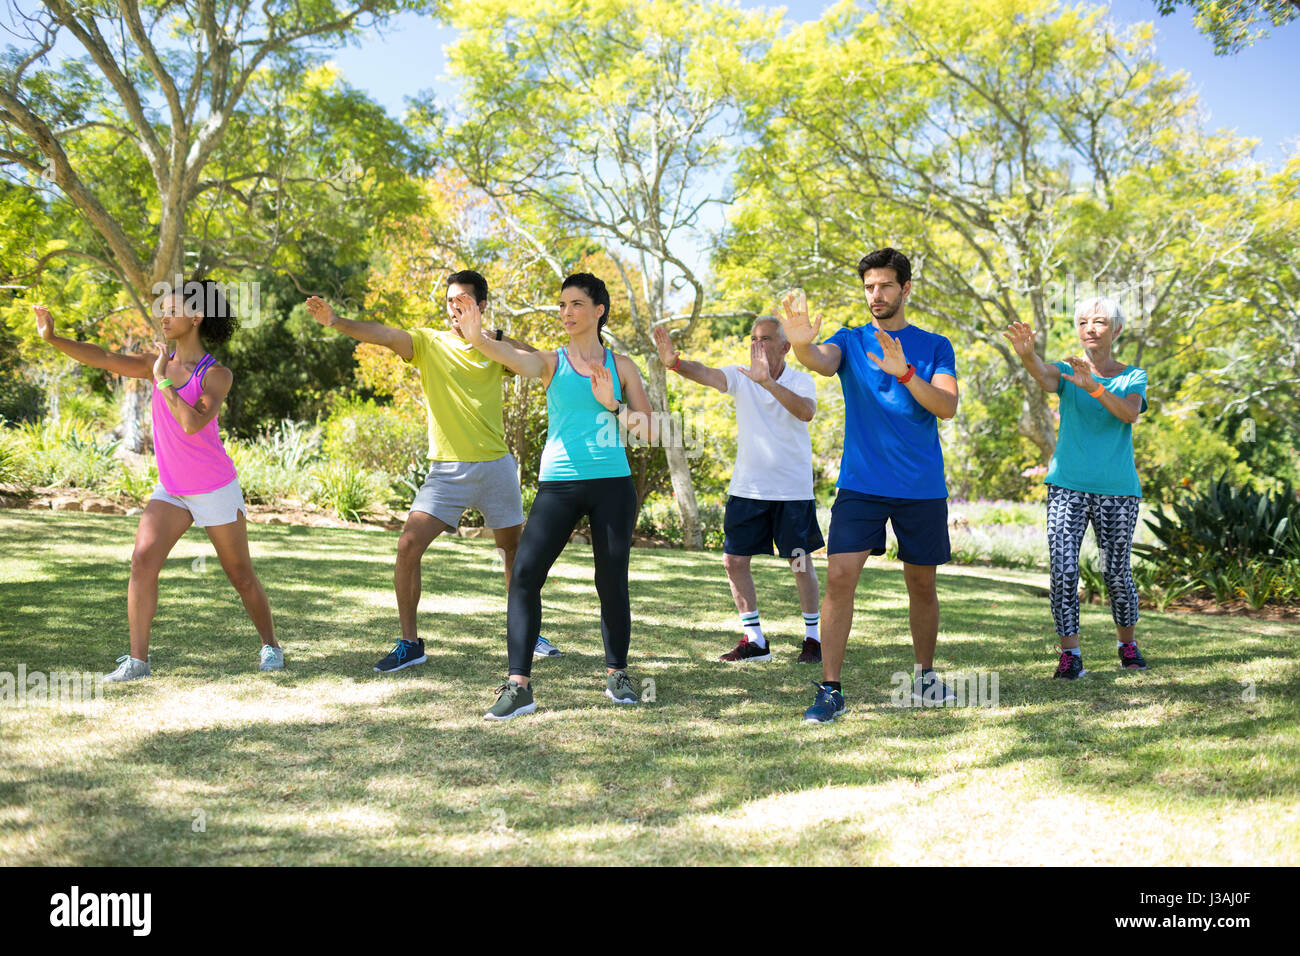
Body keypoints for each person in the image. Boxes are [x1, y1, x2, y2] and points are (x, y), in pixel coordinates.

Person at [306, 271, 561, 672]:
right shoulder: (428, 342)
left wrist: (491, 336)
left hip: (496, 466)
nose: (454, 308)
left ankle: (527, 632)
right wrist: (337, 321)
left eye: (463, 300)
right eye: (449, 301)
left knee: (515, 553)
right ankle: (410, 644)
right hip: (447, 473)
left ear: (480, 305)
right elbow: (385, 335)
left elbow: (543, 364)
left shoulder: (494, 348)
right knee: (408, 546)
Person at [32, 283, 283, 682]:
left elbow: (191, 422)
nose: (163, 317)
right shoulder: (157, 360)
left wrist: (162, 380)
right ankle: (138, 662)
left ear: (196, 317)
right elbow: (105, 358)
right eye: (161, 310)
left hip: (214, 487)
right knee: (142, 560)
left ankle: (270, 644)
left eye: (172, 309)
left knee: (240, 575)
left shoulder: (216, 373)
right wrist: (54, 338)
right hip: (172, 489)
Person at [452, 273, 657, 720]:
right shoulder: (551, 362)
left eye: (577, 304)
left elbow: (650, 430)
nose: (566, 312)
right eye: (562, 305)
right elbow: (506, 354)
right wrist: (475, 334)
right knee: (524, 574)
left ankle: (618, 674)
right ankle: (518, 686)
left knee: (611, 581)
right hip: (559, 483)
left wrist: (614, 405)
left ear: (599, 310)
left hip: (612, 486)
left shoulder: (622, 367)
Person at [779, 247, 960, 723]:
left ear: (904, 289)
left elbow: (945, 406)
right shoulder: (851, 340)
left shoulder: (936, 345)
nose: (875, 295)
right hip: (861, 482)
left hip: (920, 484)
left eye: (884, 286)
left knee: (921, 583)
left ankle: (924, 676)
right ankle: (831, 689)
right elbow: (820, 360)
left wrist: (904, 372)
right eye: (868, 287)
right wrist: (800, 344)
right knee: (839, 577)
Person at [652, 318, 824, 663]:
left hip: (792, 490)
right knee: (733, 561)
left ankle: (813, 639)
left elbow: (805, 412)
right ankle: (755, 640)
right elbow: (707, 373)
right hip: (748, 489)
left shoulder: (800, 379)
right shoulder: (740, 375)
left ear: (785, 346)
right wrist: (676, 363)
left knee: (800, 563)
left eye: (766, 339)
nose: (757, 345)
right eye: (754, 339)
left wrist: (768, 383)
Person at [1004, 297, 1149, 680]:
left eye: (1099, 321)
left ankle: (1127, 644)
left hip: (1117, 489)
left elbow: (1130, 413)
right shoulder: (1068, 371)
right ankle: (1071, 655)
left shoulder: (1132, 375)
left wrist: (1096, 388)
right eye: (1083, 321)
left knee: (1116, 571)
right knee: (1064, 569)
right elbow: (1042, 374)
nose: (1090, 327)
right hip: (1067, 485)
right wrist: (1027, 355)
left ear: (1116, 330)